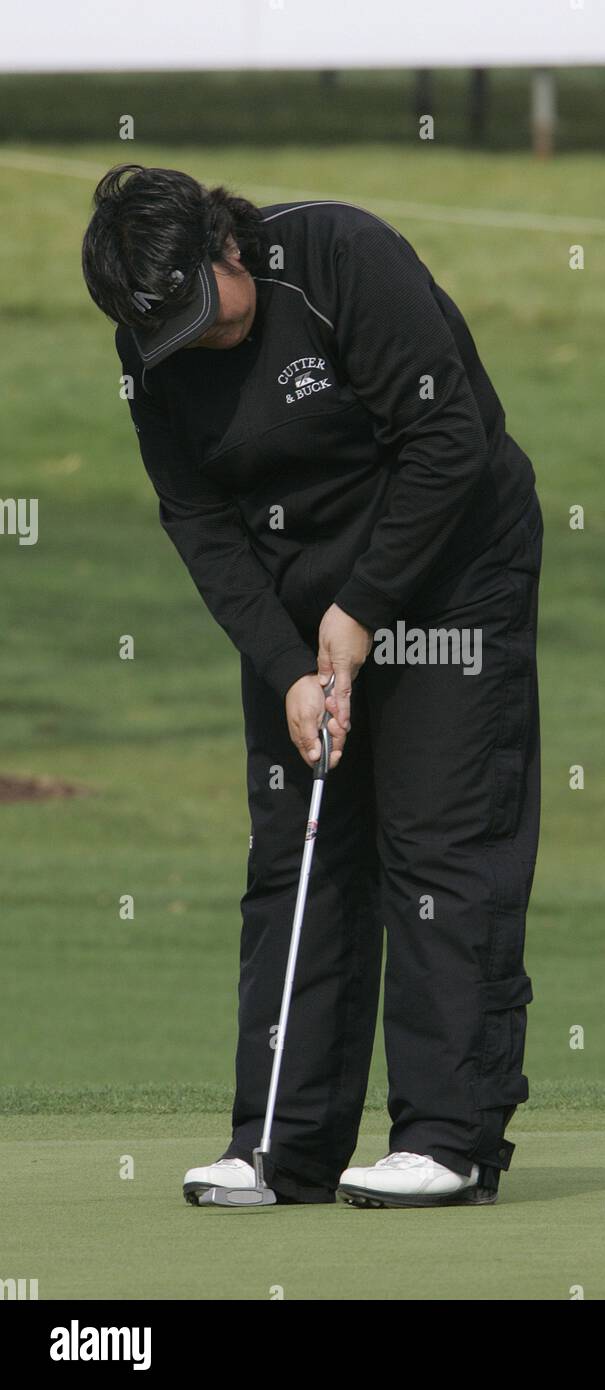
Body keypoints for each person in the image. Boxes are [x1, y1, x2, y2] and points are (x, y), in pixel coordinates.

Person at [81, 164, 543, 1208]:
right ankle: (282, 1144)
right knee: (297, 850)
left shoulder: (341, 259)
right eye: (167, 331)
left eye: (203, 309)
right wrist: (289, 667)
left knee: (437, 839)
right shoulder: (153, 352)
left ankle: (446, 1135)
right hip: (303, 601)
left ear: (225, 246)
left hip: (455, 570)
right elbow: (199, 524)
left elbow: (448, 440)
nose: (193, 339)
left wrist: (363, 607)